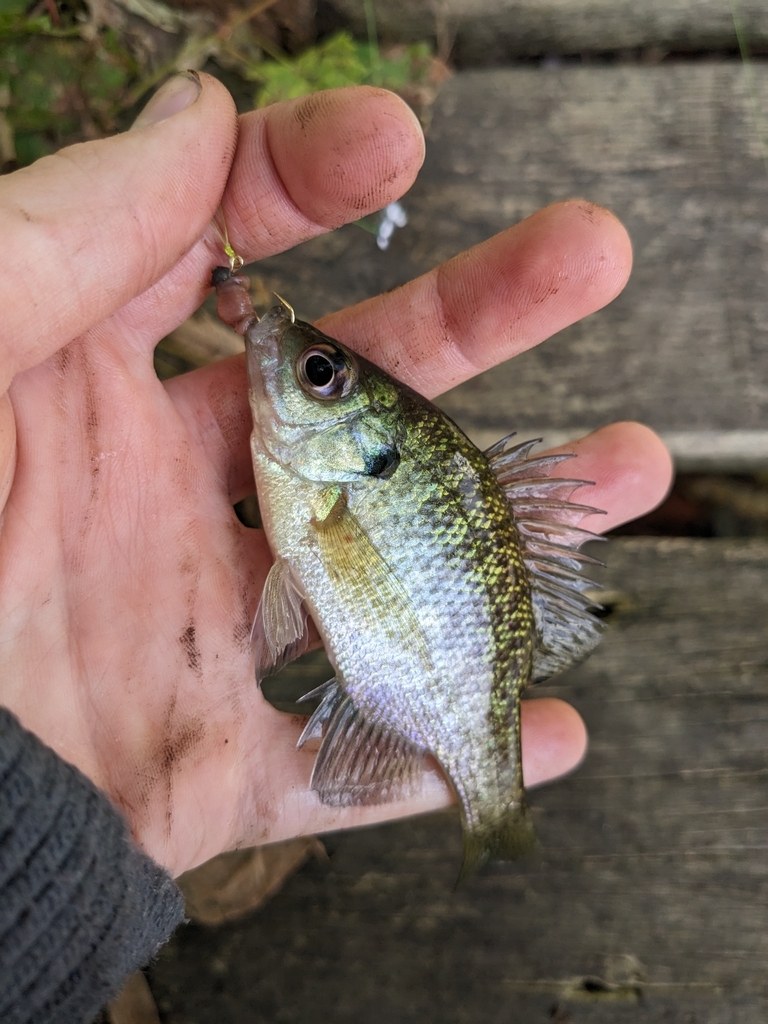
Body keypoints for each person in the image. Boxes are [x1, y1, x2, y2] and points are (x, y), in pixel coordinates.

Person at [0, 72, 672, 1022]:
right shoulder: (319, 485)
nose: (296, 362)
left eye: (319, 376)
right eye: (326, 371)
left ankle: (495, 807)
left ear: (362, 448)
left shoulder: (328, 494)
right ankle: (495, 807)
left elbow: (312, 572)